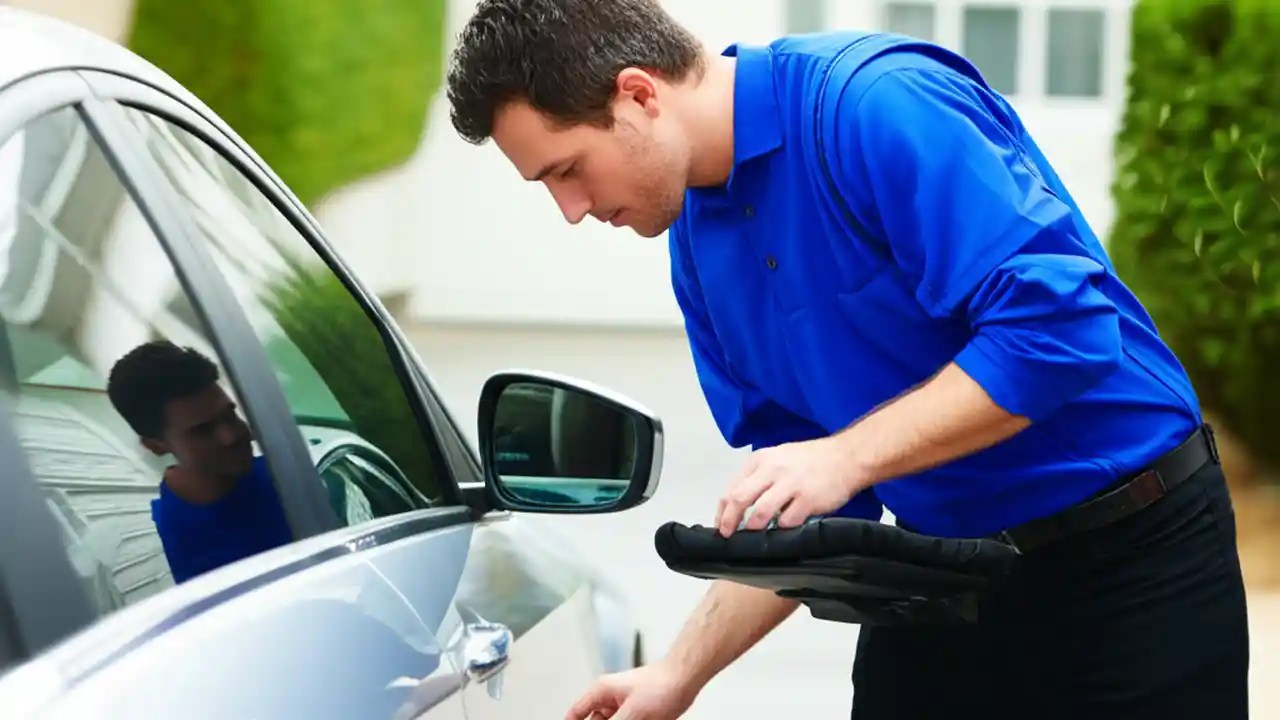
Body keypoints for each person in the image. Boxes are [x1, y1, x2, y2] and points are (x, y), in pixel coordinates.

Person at [444, 2, 1250, 718]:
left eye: (567, 170)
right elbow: (812, 504)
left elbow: (1059, 330)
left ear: (639, 94)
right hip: (937, 585)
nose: (572, 211)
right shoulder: (693, 240)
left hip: (1132, 565)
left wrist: (848, 455)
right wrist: (678, 675)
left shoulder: (875, 105)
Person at [107, 340, 292, 583]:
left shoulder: (283, 470)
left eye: (230, 414)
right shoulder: (181, 550)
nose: (232, 435)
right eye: (202, 431)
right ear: (156, 446)